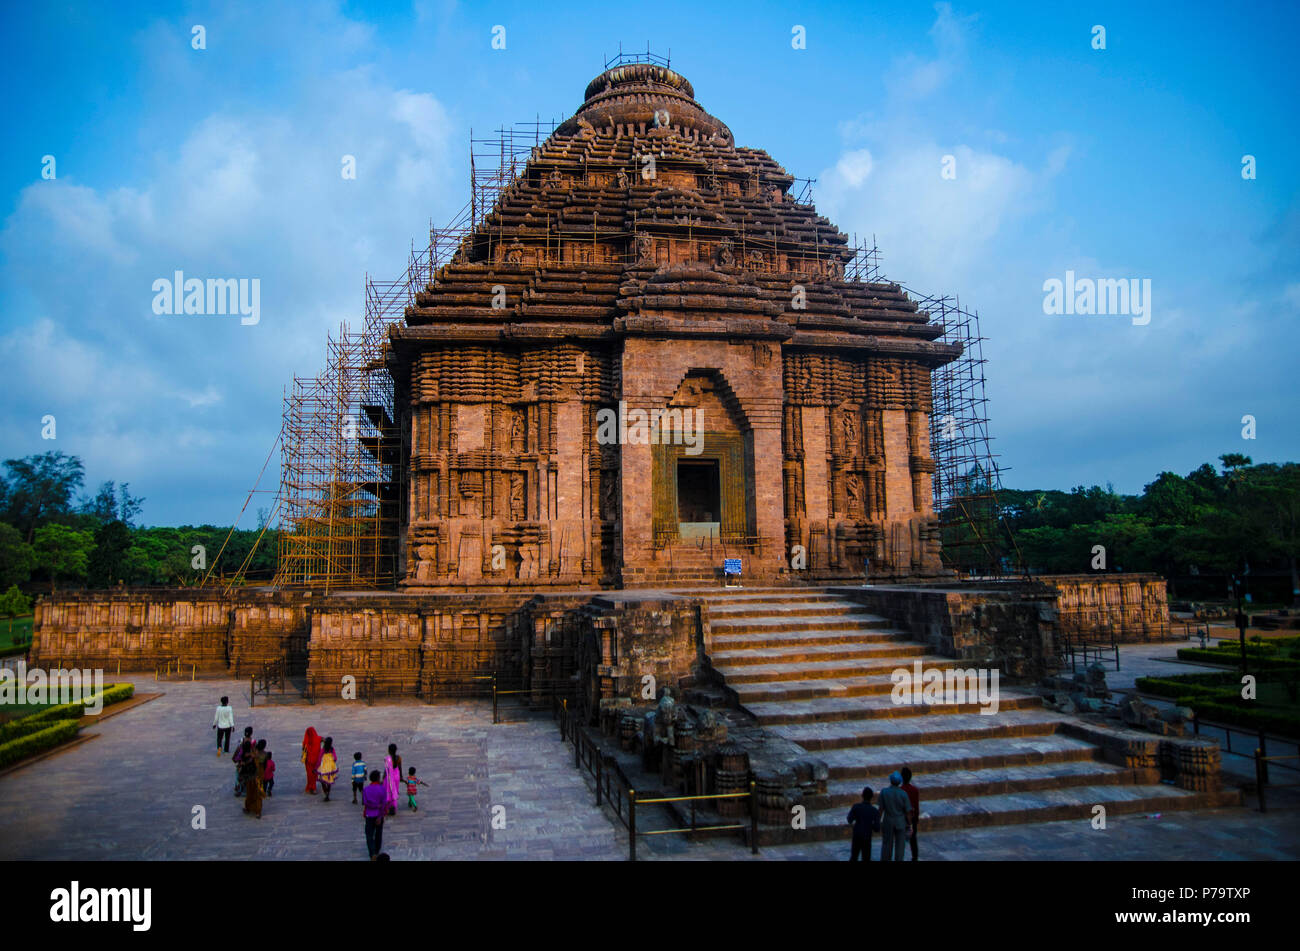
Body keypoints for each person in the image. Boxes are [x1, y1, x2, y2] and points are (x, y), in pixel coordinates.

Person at [878, 771, 911, 862]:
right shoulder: (903, 794)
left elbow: (881, 809)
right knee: (900, 845)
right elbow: (908, 812)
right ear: (900, 782)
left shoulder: (884, 792)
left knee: (887, 844)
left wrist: (877, 821)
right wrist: (909, 824)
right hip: (900, 822)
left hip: (888, 821)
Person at [845, 787, 881, 861]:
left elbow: (849, 820)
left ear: (862, 795)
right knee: (866, 857)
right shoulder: (874, 811)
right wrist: (871, 825)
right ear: (871, 797)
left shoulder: (856, 807)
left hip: (857, 834)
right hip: (867, 836)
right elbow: (877, 828)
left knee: (854, 856)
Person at [361, 770, 387, 860]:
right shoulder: (382, 789)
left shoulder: (366, 789)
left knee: (369, 834)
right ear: (378, 778)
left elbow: (365, 802)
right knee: (378, 834)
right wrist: (380, 816)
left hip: (369, 814)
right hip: (379, 814)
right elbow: (384, 804)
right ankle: (376, 851)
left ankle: (372, 853)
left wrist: (374, 805)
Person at [901, 766, 920, 861]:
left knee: (900, 839)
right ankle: (914, 857)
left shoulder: (900, 790)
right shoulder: (915, 790)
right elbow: (916, 805)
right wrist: (916, 818)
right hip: (912, 817)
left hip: (901, 818)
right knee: (913, 840)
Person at [318, 736, 339, 802]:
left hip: (324, 767)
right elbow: (335, 758)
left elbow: (319, 758)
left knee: (322, 781)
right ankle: (328, 794)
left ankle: (325, 793)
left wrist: (316, 767)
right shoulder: (332, 749)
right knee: (329, 781)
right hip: (331, 767)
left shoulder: (323, 749)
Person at [302, 727, 322, 794]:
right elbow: (326, 740)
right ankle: (312, 787)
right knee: (314, 774)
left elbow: (303, 750)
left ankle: (310, 787)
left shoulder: (305, 741)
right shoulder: (318, 739)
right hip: (316, 761)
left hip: (308, 761)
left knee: (309, 774)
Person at [383, 744, 402, 817]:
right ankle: (394, 807)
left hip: (389, 777)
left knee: (388, 791)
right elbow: (400, 767)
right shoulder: (398, 757)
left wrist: (383, 777)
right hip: (396, 775)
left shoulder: (388, 758)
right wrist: (401, 777)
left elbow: (386, 769)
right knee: (394, 791)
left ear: (389, 750)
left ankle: (387, 808)